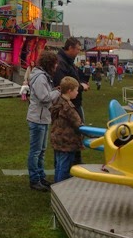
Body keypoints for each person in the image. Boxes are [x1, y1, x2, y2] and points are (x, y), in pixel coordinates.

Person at [27, 50, 59, 192]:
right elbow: (44, 97)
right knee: (36, 151)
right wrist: (58, 91)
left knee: (42, 150)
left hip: (42, 117)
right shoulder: (40, 78)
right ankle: (34, 179)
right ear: (50, 64)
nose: (56, 67)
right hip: (37, 118)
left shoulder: (43, 76)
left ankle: (40, 176)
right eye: (55, 64)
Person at [53, 38, 89, 165]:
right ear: (70, 48)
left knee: (75, 133)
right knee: (71, 133)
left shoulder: (67, 62)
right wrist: (80, 87)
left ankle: (74, 162)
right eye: (78, 49)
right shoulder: (62, 63)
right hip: (69, 104)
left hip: (75, 102)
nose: (79, 52)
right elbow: (63, 84)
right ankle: (69, 166)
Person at [50, 76, 83, 183]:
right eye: (76, 90)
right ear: (69, 91)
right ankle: (60, 189)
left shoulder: (57, 102)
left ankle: (56, 186)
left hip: (57, 139)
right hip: (67, 142)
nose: (77, 92)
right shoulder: (68, 108)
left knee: (59, 165)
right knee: (64, 168)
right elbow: (78, 124)